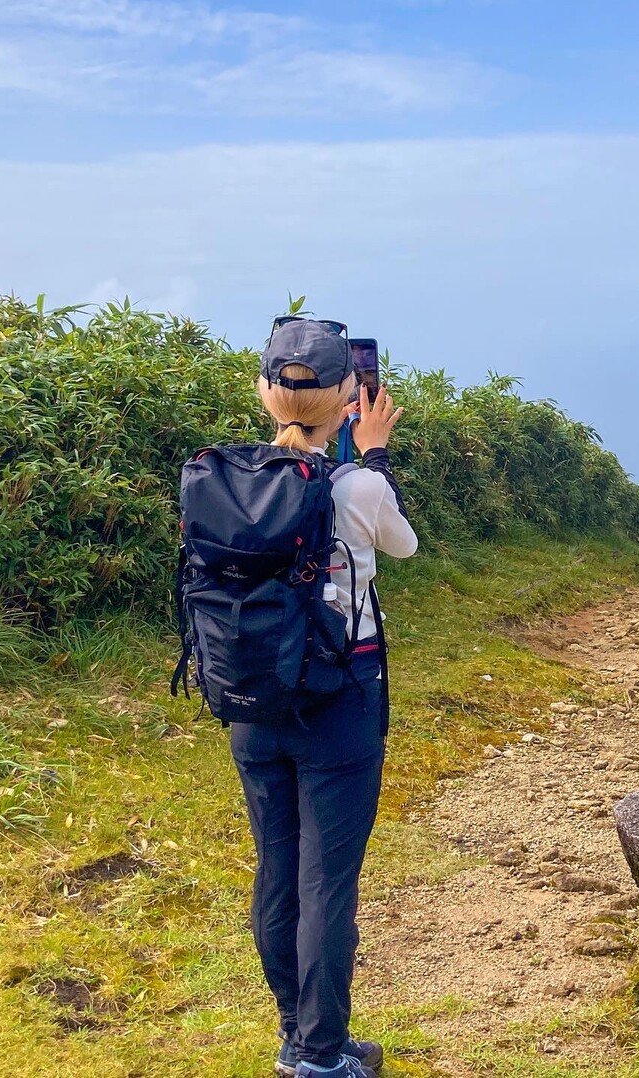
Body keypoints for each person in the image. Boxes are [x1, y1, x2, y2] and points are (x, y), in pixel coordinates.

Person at [231, 316, 417, 1078]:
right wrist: (371, 451)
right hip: (339, 703)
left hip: (251, 701)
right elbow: (402, 545)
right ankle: (319, 1055)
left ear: (263, 392)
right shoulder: (360, 484)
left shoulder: (228, 478)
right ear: (352, 395)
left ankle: (294, 1031)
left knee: (277, 868)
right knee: (327, 883)